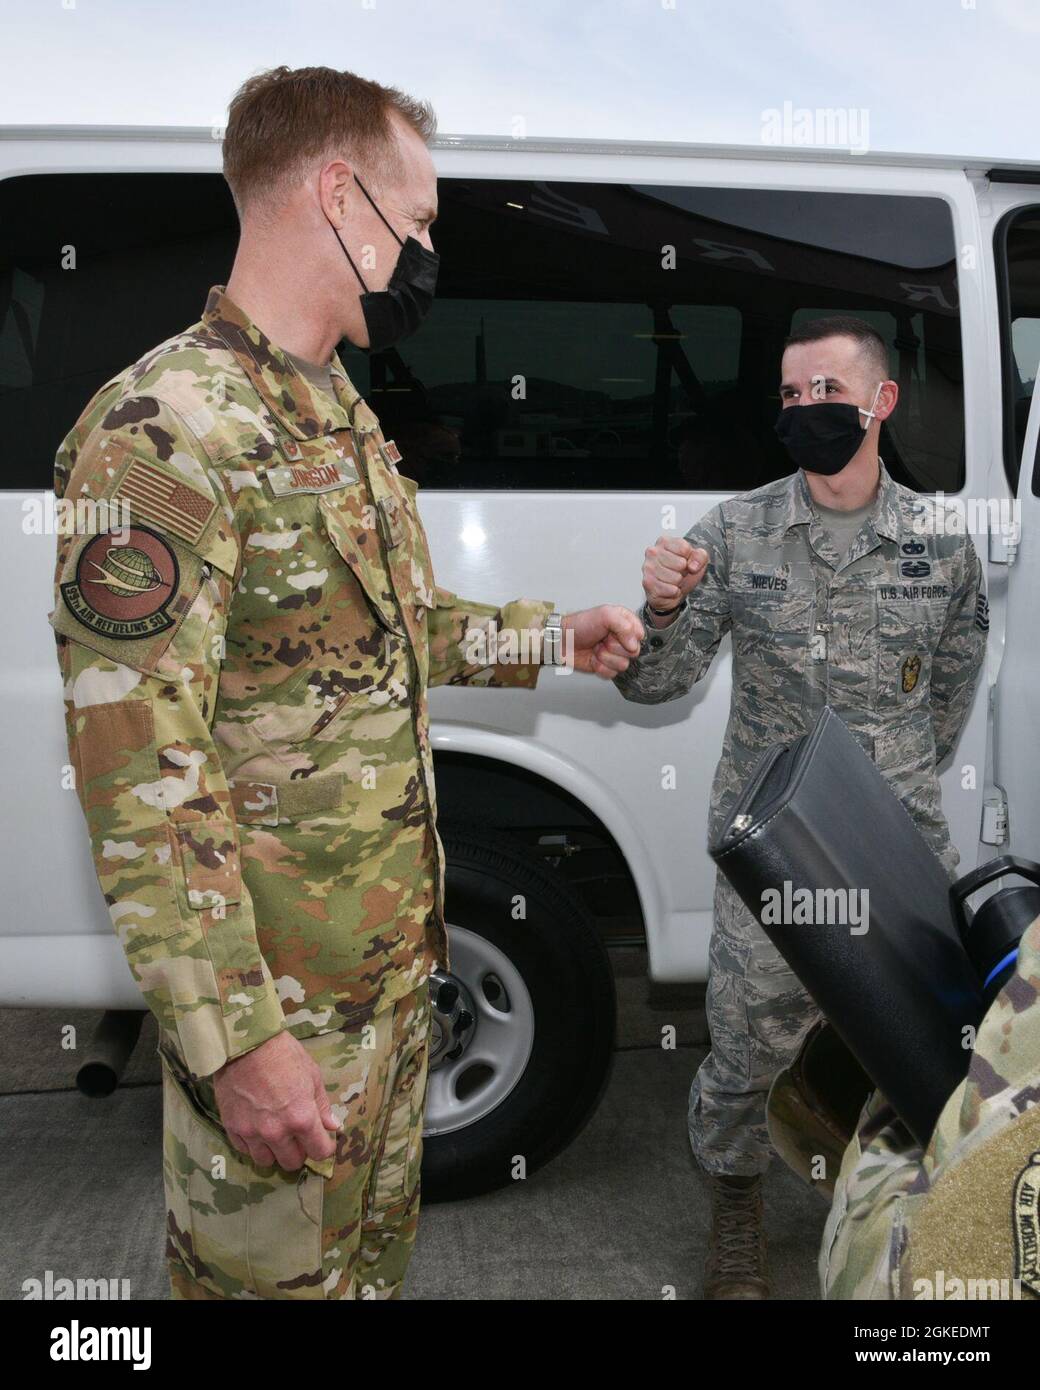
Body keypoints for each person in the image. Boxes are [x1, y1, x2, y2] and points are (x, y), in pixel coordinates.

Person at [50, 64, 643, 1301]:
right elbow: (141, 783)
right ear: (336, 194)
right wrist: (237, 1044)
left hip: (384, 989)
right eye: (417, 220)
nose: (428, 250)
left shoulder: (334, 411)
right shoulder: (163, 432)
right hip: (279, 1016)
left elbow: (385, 635)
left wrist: (552, 640)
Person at [611, 316, 988, 1299]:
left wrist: (891, 782)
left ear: (879, 403)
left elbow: (948, 687)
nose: (803, 411)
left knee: (913, 1047)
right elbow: (658, 682)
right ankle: (734, 1198)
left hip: (899, 849)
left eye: (825, 392)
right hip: (773, 851)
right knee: (749, 1043)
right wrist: (658, 612)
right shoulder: (733, 535)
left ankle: (894, 1207)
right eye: (788, 396)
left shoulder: (939, 544)